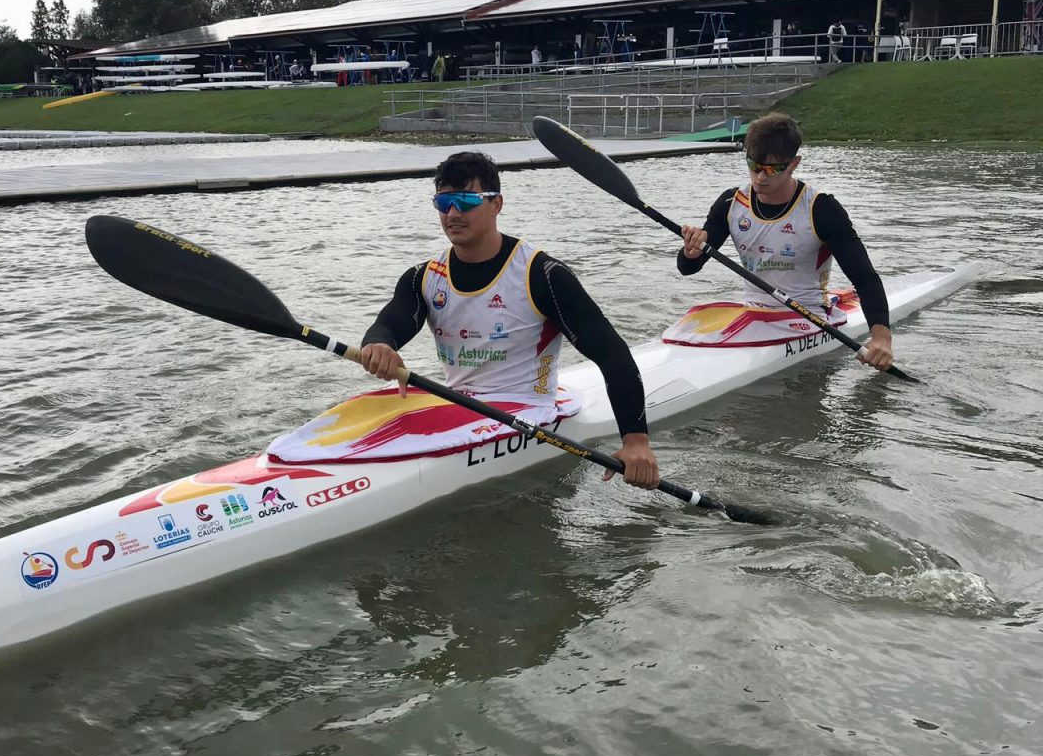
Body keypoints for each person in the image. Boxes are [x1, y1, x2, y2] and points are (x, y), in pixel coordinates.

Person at [358, 150, 660, 490]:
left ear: (497, 204)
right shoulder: (424, 277)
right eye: (443, 203)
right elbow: (391, 322)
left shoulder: (541, 274)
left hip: (530, 408)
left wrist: (636, 442)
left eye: (466, 200)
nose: (453, 213)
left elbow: (612, 354)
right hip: (460, 402)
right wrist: (379, 345)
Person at [677, 113, 894, 371]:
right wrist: (690, 252)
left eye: (771, 170)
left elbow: (865, 278)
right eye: (754, 166)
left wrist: (882, 339)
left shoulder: (821, 209)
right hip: (754, 313)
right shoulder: (730, 203)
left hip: (809, 317)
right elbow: (687, 268)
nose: (759, 178)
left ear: (794, 164)